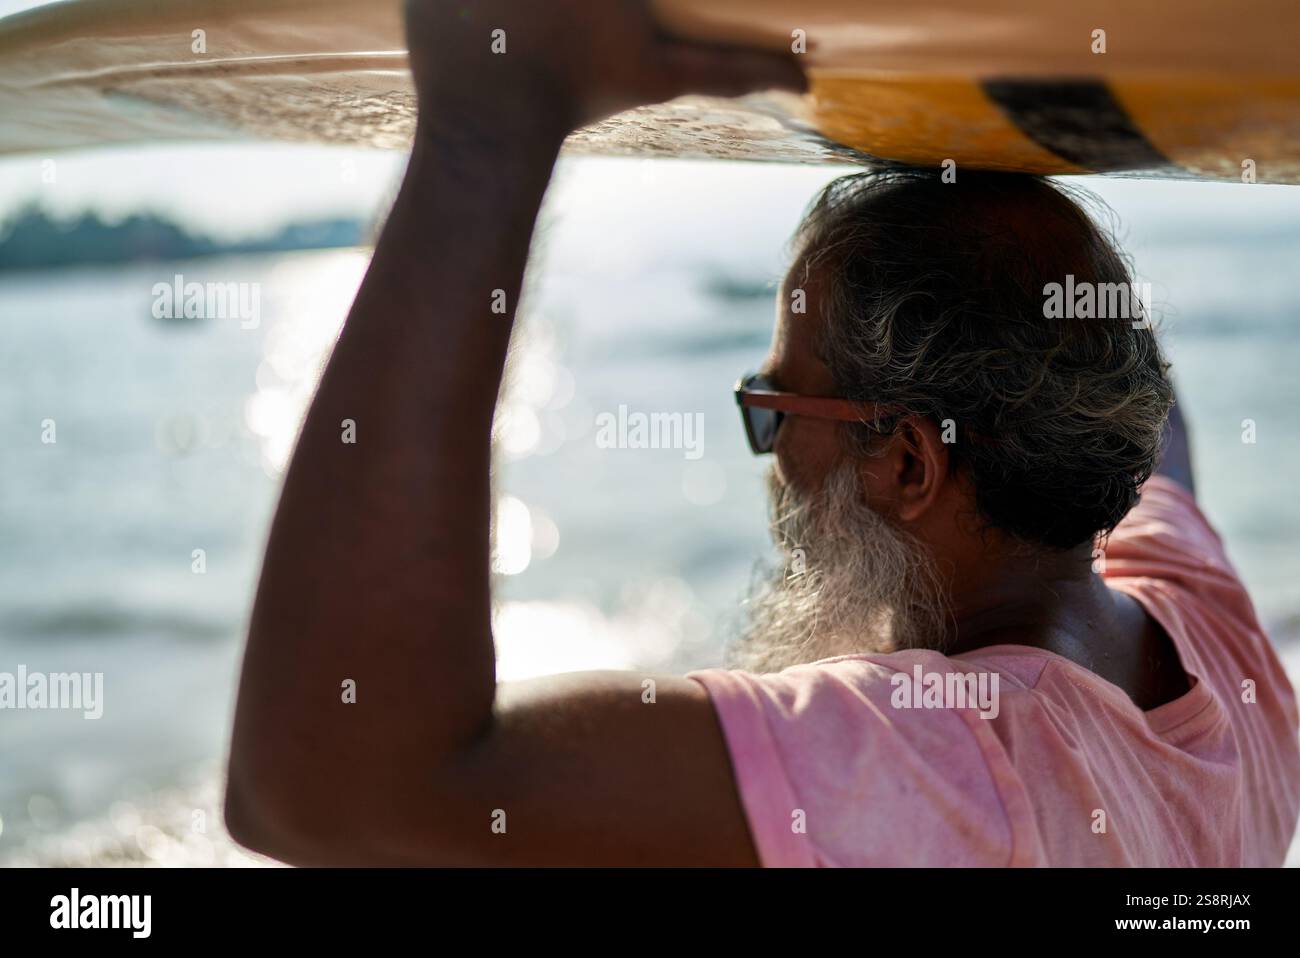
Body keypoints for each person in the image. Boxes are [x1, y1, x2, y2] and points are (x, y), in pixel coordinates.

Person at [224, 0, 1300, 866]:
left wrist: (488, 127)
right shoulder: (1212, 634)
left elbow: (334, 789)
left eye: (779, 408)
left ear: (910, 461)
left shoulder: (946, 767)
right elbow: (1130, 401)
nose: (770, 449)